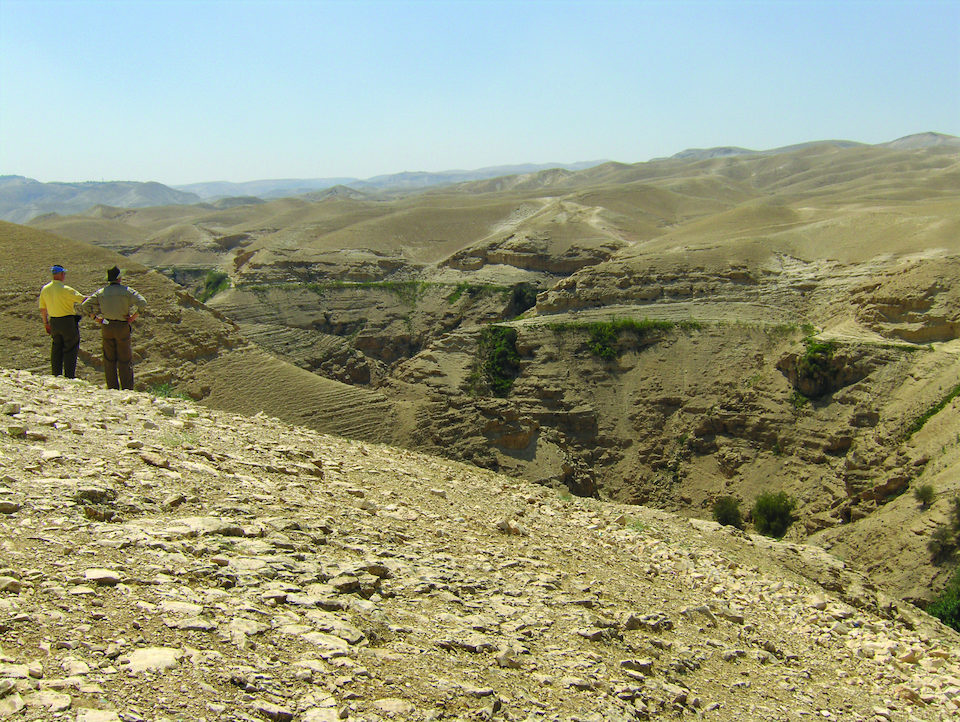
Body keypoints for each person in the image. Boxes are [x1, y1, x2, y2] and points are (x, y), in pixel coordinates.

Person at [81, 266, 147, 390]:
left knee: (109, 358)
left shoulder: (101, 292)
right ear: (119, 278)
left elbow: (85, 305)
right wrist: (133, 317)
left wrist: (95, 318)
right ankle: (127, 388)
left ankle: (112, 387)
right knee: (125, 358)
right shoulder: (127, 291)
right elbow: (143, 303)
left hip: (106, 325)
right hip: (122, 325)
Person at [38, 264, 87, 378]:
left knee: (56, 348)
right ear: (60, 274)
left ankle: (56, 375)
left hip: (54, 321)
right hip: (67, 322)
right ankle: (69, 376)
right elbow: (83, 300)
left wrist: (46, 323)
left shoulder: (45, 289)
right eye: (64, 273)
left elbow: (43, 308)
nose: (64, 275)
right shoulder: (66, 290)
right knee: (71, 348)